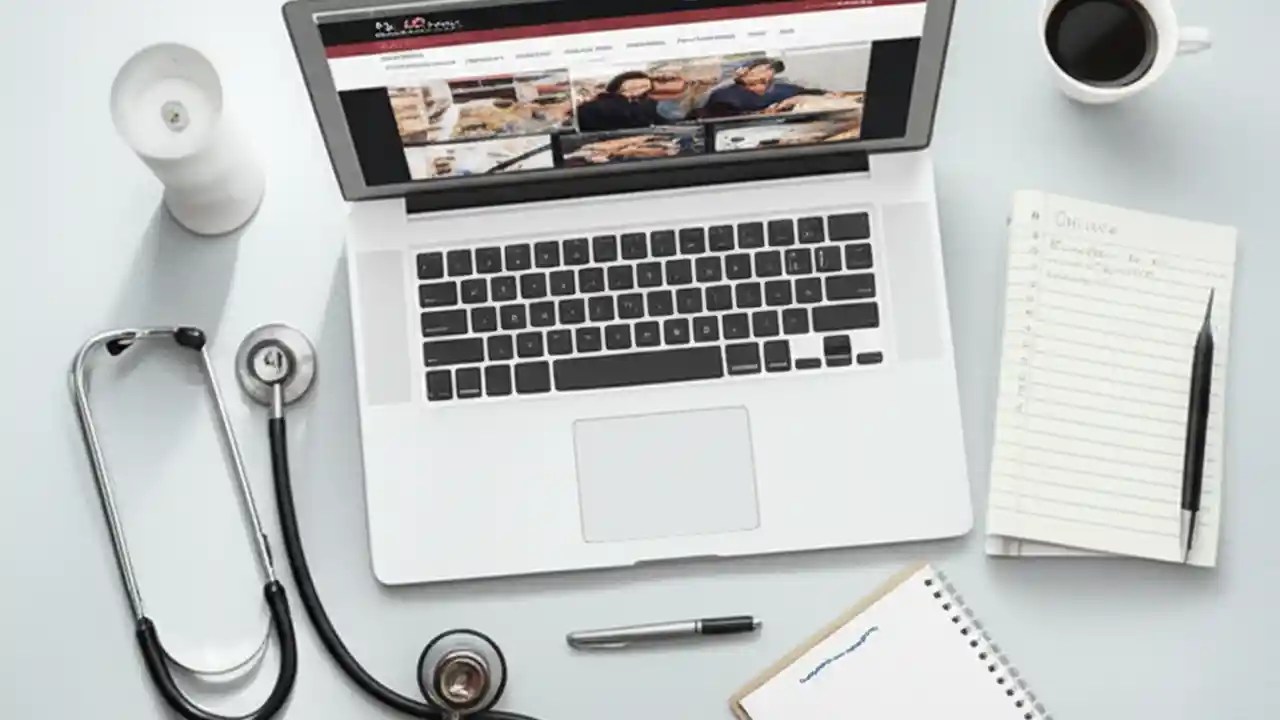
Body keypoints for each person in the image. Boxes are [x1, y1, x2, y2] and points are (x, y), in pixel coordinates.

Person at [704, 59, 810, 117]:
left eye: (770, 68)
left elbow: (816, 96)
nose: (767, 70)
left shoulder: (786, 91)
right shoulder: (723, 97)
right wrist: (760, 114)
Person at [575, 71, 665, 132]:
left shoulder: (588, 107)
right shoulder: (643, 108)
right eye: (634, 86)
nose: (638, 89)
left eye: (643, 86)